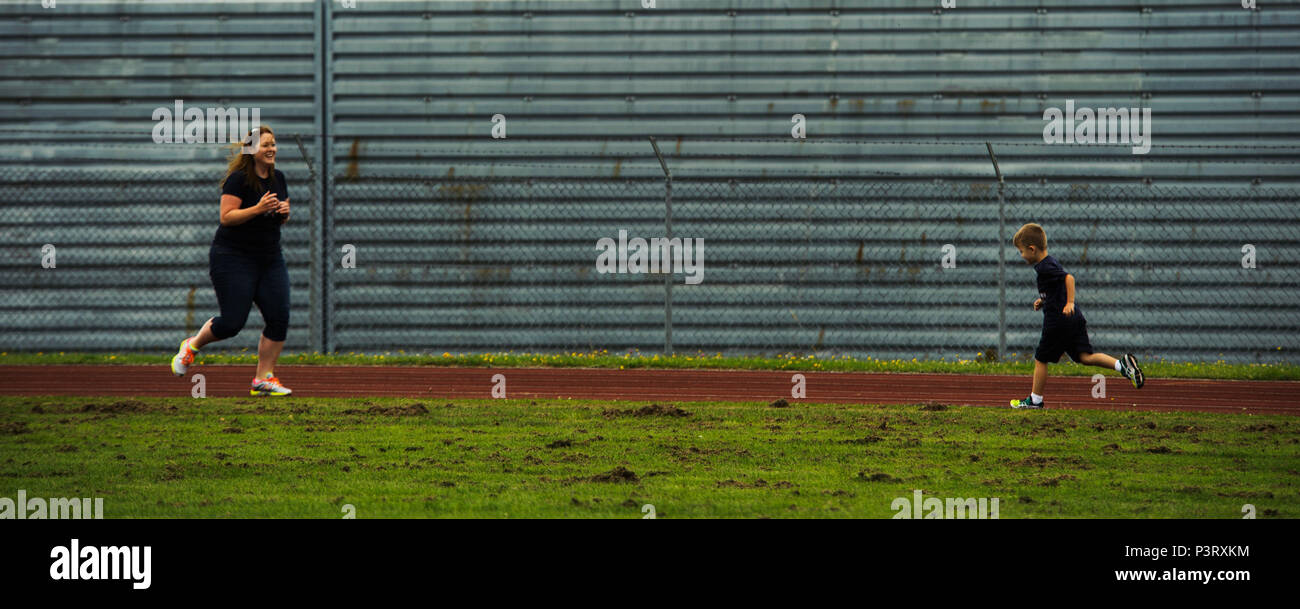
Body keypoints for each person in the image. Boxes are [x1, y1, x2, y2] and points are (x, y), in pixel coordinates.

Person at [170, 125, 293, 396]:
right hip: (233, 258)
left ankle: (263, 379)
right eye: (266, 145)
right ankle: (192, 345)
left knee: (279, 316)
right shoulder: (238, 180)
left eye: (273, 144)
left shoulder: (278, 178)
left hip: (270, 258)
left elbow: (280, 215)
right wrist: (258, 208)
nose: (271, 149)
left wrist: (284, 211)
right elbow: (227, 217)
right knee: (232, 323)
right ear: (252, 150)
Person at [1008, 223, 1143, 409]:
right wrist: (1043, 300)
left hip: (1058, 321)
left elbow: (1068, 279)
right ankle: (1123, 365)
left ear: (1032, 249)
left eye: (1022, 251)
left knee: (1041, 358)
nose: (1021, 256)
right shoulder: (1049, 264)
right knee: (1085, 356)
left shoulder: (1045, 266)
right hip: (1073, 319)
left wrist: (1069, 302)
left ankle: (1035, 400)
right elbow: (1056, 289)